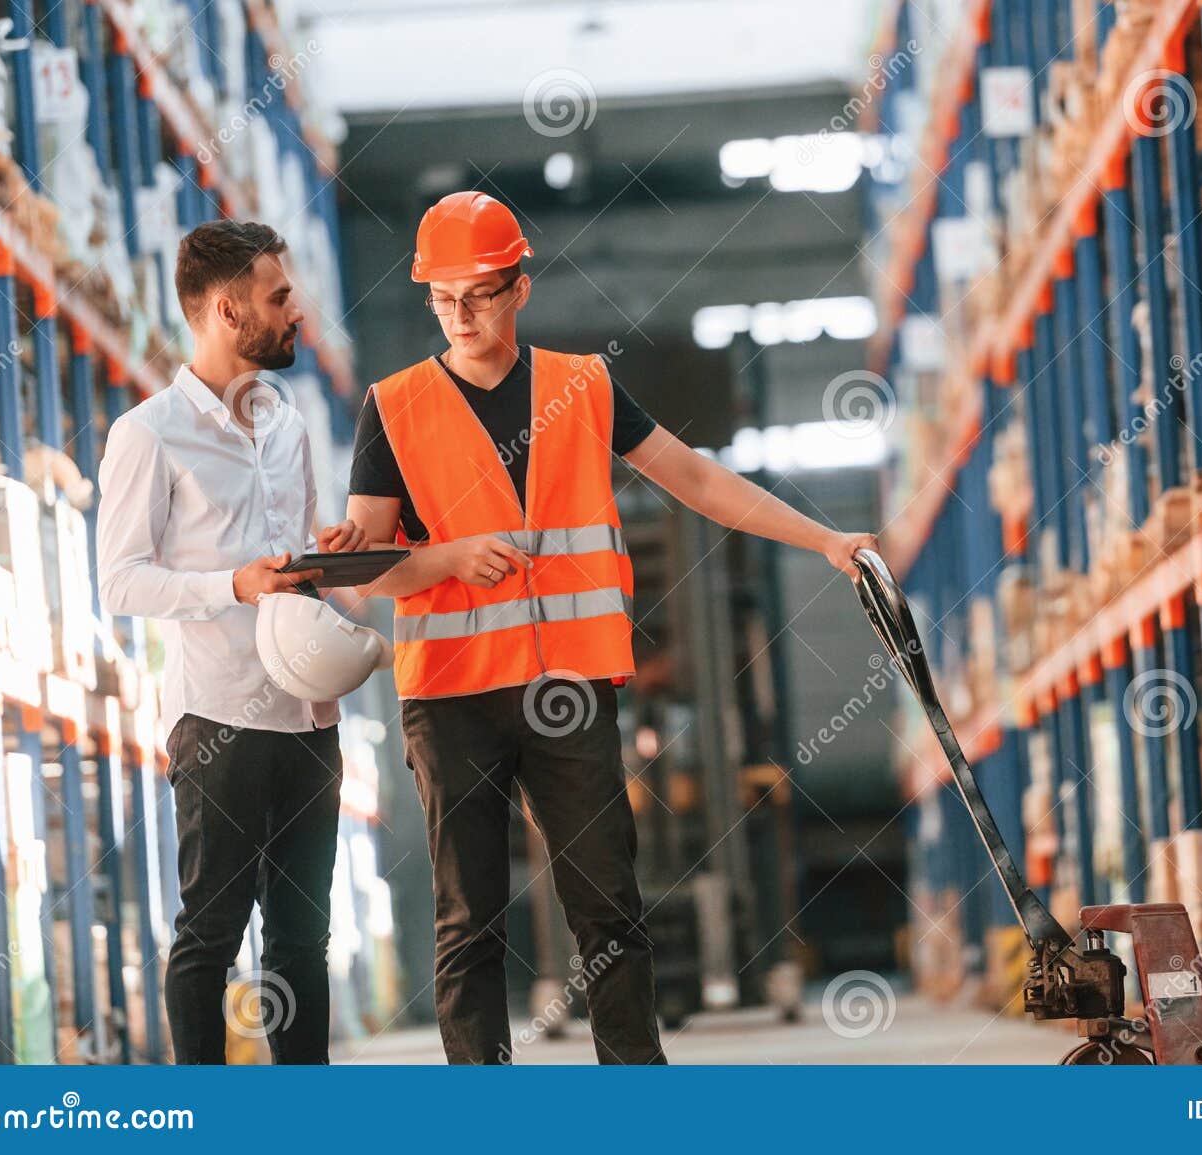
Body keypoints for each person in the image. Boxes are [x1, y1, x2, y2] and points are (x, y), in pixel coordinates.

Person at [345, 191, 876, 1064]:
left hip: (569, 687)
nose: (460, 316)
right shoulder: (393, 406)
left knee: (608, 909)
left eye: (477, 294)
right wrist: (440, 558)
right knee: (469, 920)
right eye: (441, 298)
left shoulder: (581, 387)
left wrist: (824, 538)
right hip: (451, 695)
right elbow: (368, 569)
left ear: (519, 287)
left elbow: (697, 481)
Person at [97, 220, 368, 1064]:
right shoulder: (149, 433)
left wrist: (330, 552)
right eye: (279, 297)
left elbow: (295, 557)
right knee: (210, 934)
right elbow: (120, 581)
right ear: (226, 310)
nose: (296, 312)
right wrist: (233, 584)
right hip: (219, 718)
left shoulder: (288, 425)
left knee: (301, 939)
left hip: (309, 714)